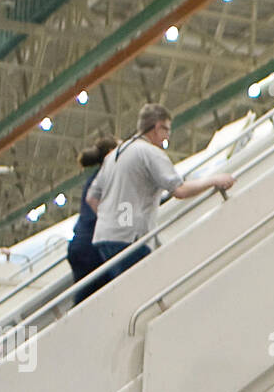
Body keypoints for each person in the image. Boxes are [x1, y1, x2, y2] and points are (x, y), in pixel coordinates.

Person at [87, 103, 235, 290]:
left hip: (104, 237)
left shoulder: (115, 154)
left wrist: (111, 218)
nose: (167, 137)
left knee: (128, 292)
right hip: (129, 239)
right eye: (167, 130)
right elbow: (179, 190)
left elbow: (92, 198)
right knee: (154, 290)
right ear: (157, 127)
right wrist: (214, 180)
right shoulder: (149, 152)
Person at [68, 135, 118, 305]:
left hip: (80, 245)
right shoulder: (109, 178)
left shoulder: (94, 179)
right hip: (93, 248)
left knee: (83, 301)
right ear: (111, 153)